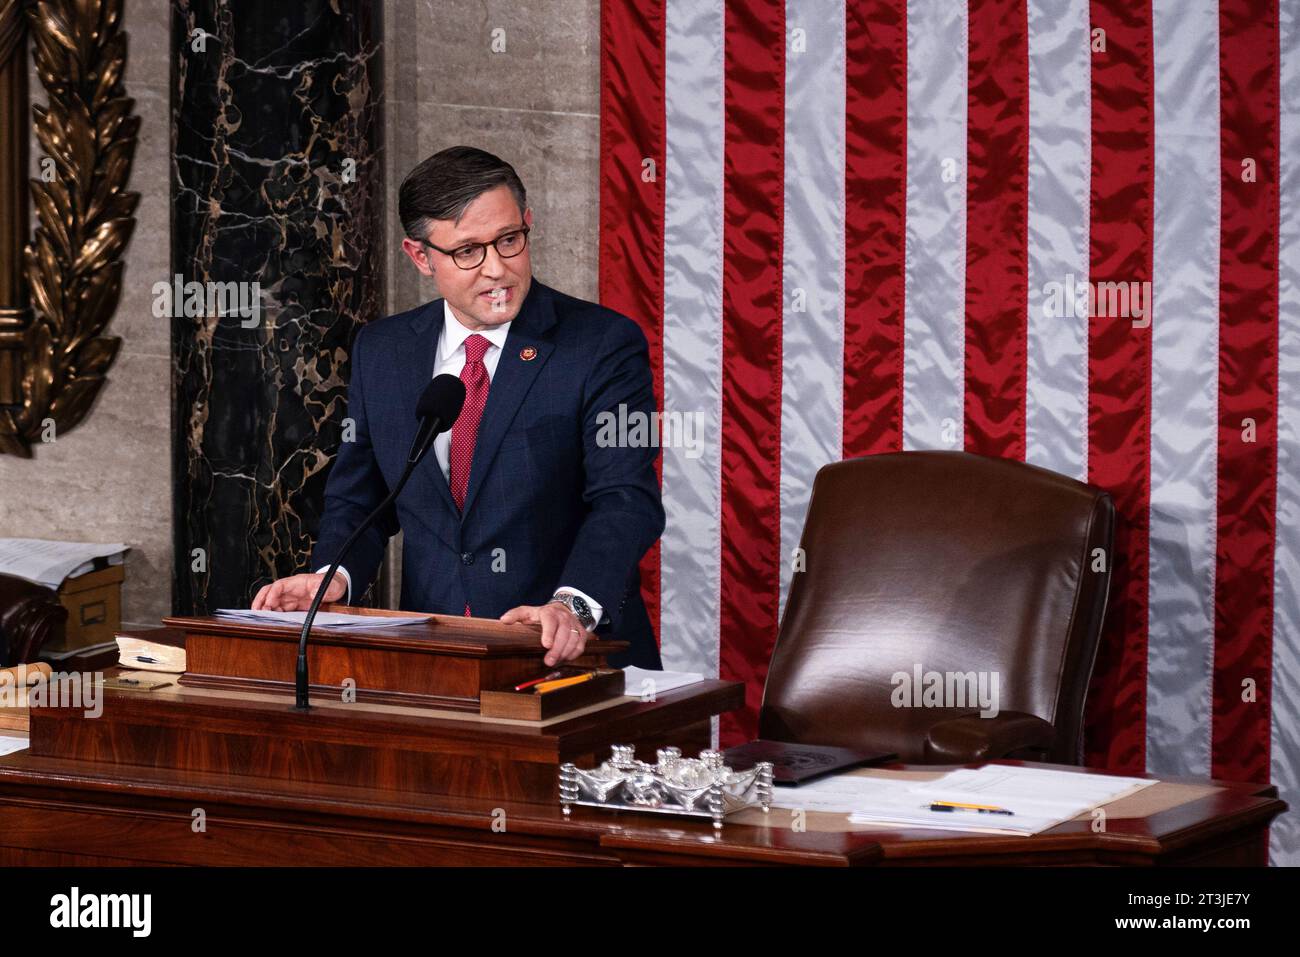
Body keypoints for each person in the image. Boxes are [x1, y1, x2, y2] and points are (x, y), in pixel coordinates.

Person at [253, 146, 664, 669]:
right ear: (421, 257)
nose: (497, 269)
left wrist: (572, 604)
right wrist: (334, 575)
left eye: (509, 241)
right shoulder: (384, 350)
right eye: (468, 251)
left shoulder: (602, 344)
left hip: (570, 655)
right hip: (434, 655)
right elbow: (361, 499)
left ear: (527, 225)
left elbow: (626, 499)